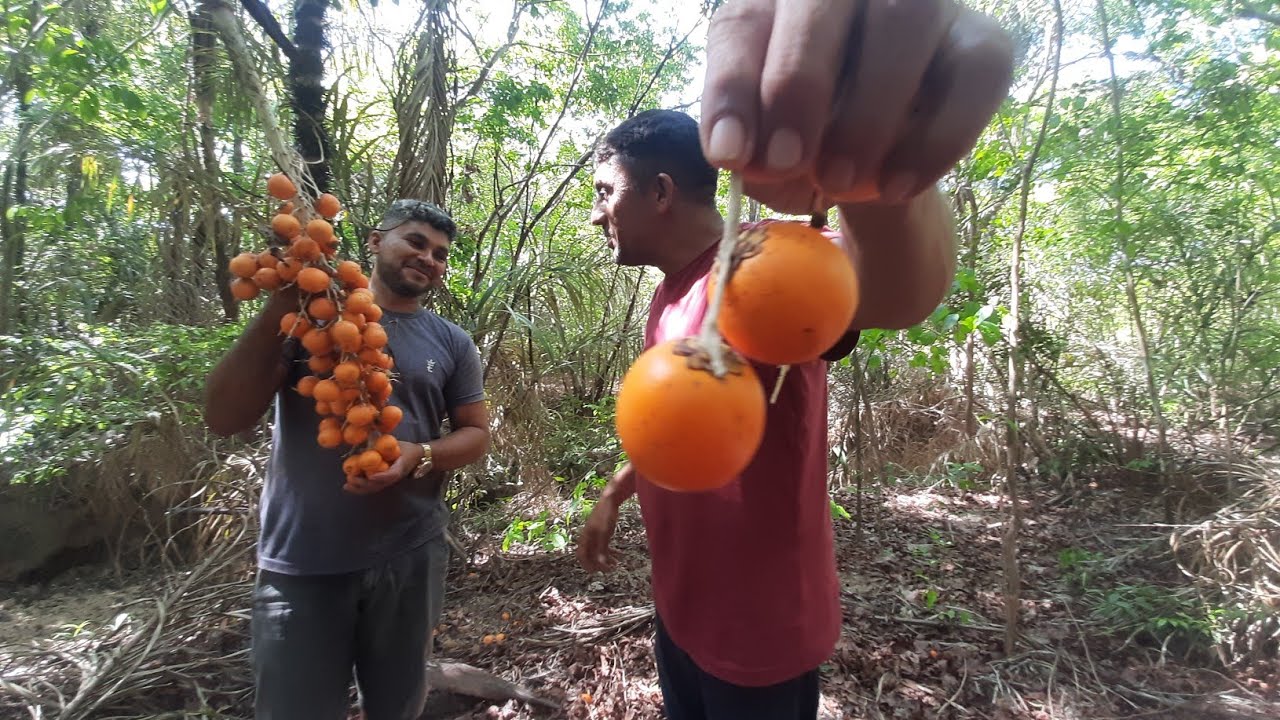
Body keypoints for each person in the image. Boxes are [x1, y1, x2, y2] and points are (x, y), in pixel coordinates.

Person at [576, 2, 1013, 718]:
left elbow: (895, 294)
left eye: (605, 193)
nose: (597, 214)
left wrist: (870, 182)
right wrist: (616, 493)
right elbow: (683, 427)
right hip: (683, 611)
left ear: (658, 192)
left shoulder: (761, 261)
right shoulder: (672, 299)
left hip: (759, 637)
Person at [204, 199, 490, 720]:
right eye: (416, 242)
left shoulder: (451, 341)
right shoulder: (308, 319)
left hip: (410, 555)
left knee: (398, 707)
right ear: (377, 241)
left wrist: (419, 454)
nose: (429, 258)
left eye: (441, 253)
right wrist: (283, 303)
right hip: (303, 563)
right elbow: (223, 416)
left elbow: (476, 436)